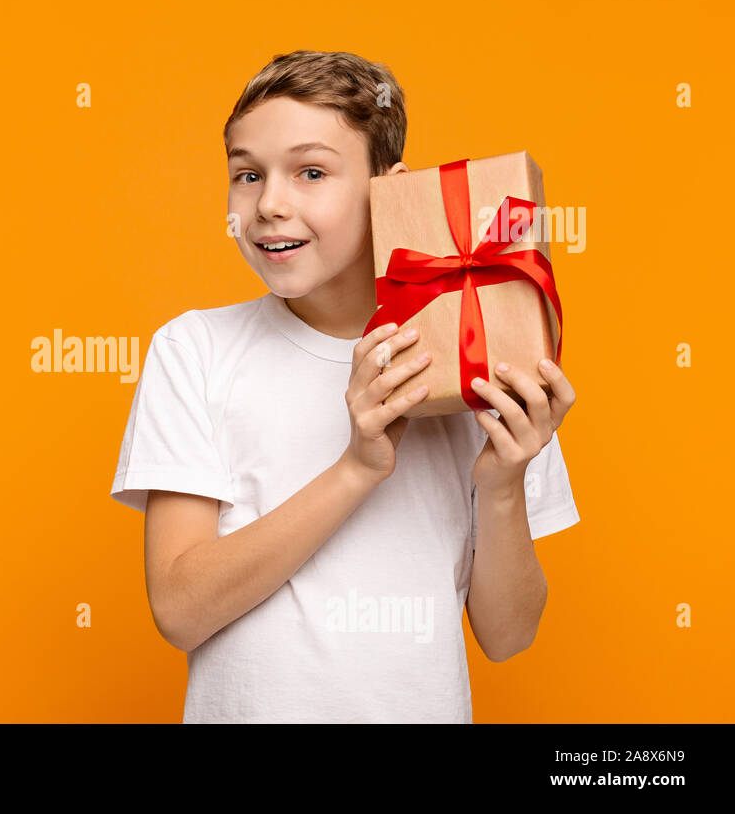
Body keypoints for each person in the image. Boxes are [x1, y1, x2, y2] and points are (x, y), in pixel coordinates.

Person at [110, 50, 580, 723]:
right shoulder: (193, 350)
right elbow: (181, 610)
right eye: (248, 173)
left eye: (310, 172)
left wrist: (503, 482)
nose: (269, 203)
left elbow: (508, 636)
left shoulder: (481, 350)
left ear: (390, 188)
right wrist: (357, 468)